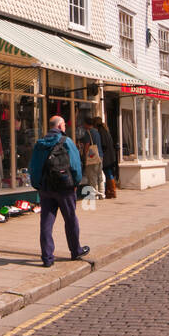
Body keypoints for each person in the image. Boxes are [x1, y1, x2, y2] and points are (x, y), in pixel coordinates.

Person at [29, 115, 87, 268]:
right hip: (65, 188)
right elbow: (75, 165)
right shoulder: (66, 141)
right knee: (70, 219)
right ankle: (76, 251)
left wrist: (38, 185)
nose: (65, 128)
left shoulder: (40, 144)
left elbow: (33, 167)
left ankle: (47, 258)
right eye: (65, 126)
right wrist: (76, 183)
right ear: (60, 126)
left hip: (46, 189)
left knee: (46, 223)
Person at [94, 117, 119, 198]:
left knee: (108, 173)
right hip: (111, 156)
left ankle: (112, 191)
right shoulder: (105, 130)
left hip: (107, 156)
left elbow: (103, 144)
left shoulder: (101, 131)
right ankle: (110, 191)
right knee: (109, 173)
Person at [79, 126, 104, 192]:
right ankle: (102, 193)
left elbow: (87, 145)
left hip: (92, 156)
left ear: (86, 124)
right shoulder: (97, 132)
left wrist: (85, 155)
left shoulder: (88, 133)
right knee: (99, 175)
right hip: (100, 155)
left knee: (92, 176)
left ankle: (94, 194)